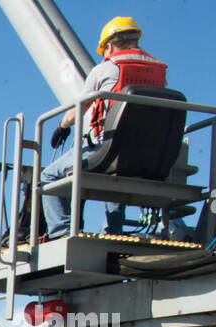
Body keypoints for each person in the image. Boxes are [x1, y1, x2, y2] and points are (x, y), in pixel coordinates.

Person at [40, 16, 167, 239]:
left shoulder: (106, 68)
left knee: (48, 176)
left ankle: (61, 232)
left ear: (108, 46)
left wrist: (62, 126)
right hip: (150, 155)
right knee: (117, 171)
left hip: (108, 150)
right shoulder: (159, 71)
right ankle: (113, 230)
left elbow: (79, 109)